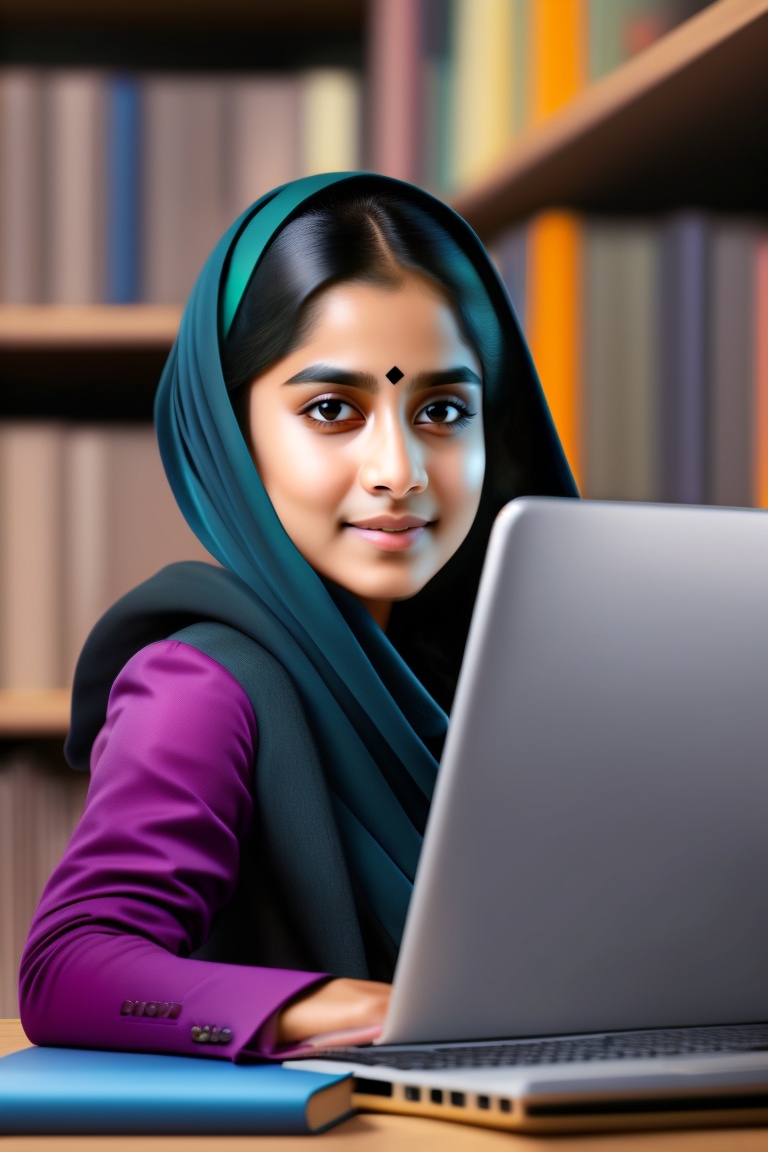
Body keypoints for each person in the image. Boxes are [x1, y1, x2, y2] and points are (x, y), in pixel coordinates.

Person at [19, 172, 577, 1061]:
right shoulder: (199, 686)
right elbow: (70, 968)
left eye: (440, 410)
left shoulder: (515, 679)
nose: (399, 469)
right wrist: (347, 1009)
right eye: (332, 410)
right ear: (233, 433)